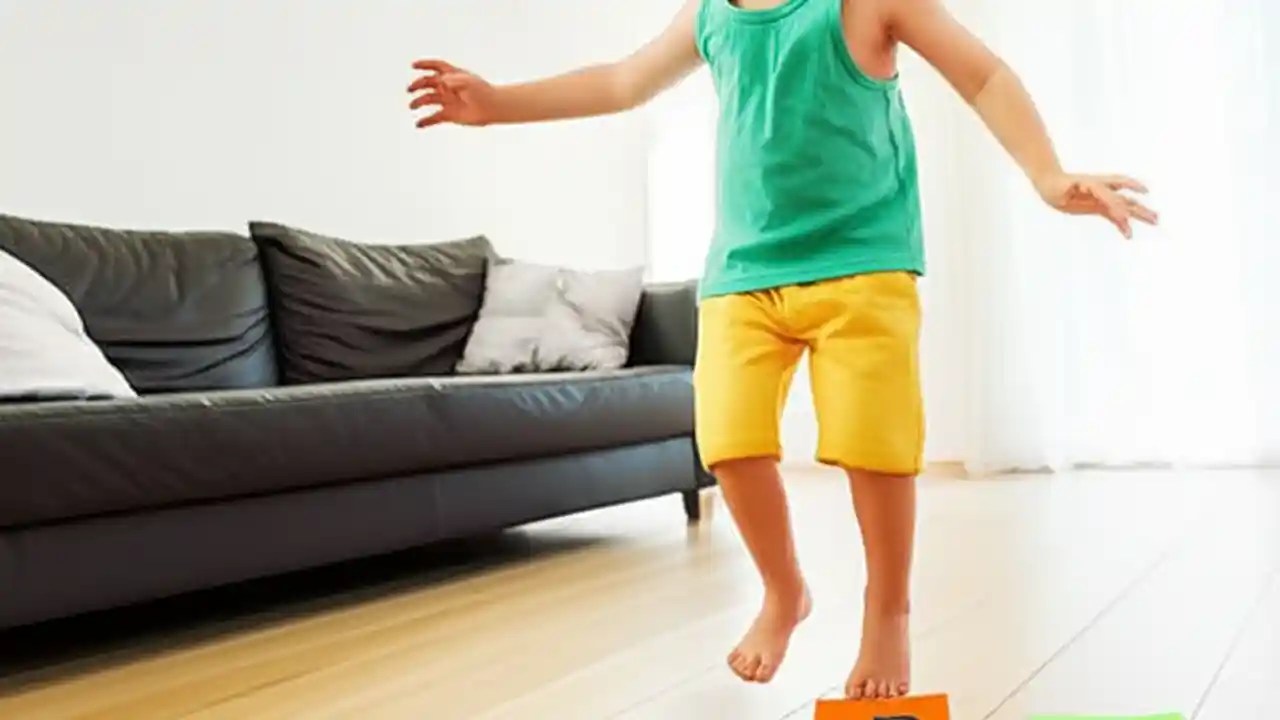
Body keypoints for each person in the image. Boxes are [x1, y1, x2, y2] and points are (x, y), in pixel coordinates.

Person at [408, 0, 1157, 701]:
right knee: (729, 439)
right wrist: (497, 103)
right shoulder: (713, 15)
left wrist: (1048, 174)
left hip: (863, 260)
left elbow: (982, 74)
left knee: (875, 444)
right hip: (745, 271)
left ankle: (887, 611)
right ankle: (784, 590)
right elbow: (620, 81)